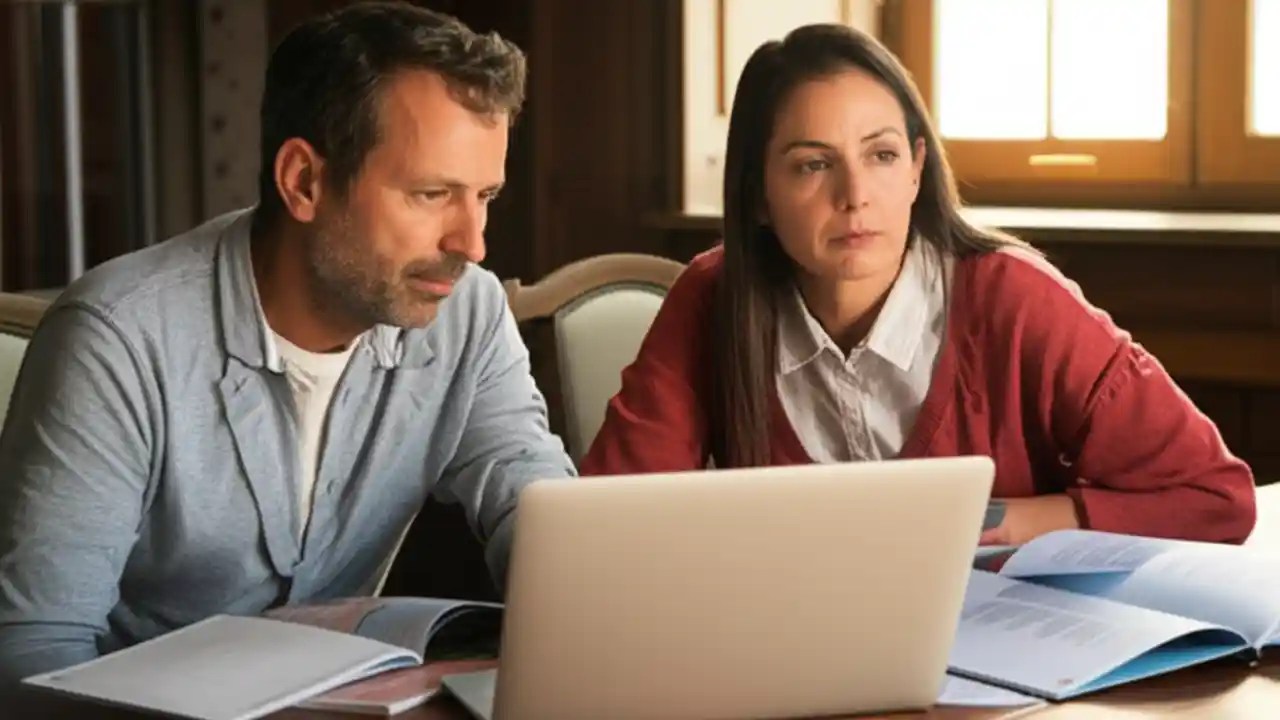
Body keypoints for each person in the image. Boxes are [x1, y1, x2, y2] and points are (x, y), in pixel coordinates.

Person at [0, 0, 573, 695]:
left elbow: (533, 508)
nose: (472, 244)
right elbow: (34, 655)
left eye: (485, 195)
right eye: (431, 194)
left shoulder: (468, 314)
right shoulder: (118, 339)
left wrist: (586, 604)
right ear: (304, 181)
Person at [580, 23, 1255, 546]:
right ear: (758, 196)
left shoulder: (1015, 298)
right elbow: (608, 522)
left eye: (880, 155)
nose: (855, 196)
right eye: (812, 165)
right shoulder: (713, 297)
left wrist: (1015, 522)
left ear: (915, 169)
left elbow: (1214, 495)